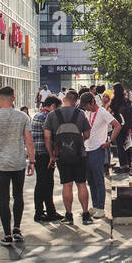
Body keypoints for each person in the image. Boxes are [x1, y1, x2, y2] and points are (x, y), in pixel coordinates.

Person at [0, 86, 36, 245]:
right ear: (13, 99)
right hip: (18, 163)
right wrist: (32, 161)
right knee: (18, 196)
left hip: (0, 164)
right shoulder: (23, 117)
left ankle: (6, 235)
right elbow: (29, 142)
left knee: (3, 199)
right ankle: (17, 228)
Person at [44, 90, 91, 224]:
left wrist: (52, 155)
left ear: (64, 99)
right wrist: (80, 140)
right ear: (76, 101)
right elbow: (87, 134)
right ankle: (85, 214)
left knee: (67, 185)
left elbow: (47, 137)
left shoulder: (53, 115)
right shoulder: (80, 114)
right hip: (79, 154)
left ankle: (69, 215)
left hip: (61, 155)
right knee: (81, 184)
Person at [81, 90, 120, 219]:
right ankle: (95, 205)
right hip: (86, 149)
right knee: (91, 180)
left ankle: (101, 208)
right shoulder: (87, 112)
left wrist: (109, 141)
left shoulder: (102, 112)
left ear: (92, 102)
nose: (86, 108)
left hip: (97, 149)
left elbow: (117, 126)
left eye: (87, 105)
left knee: (99, 180)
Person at [31, 96, 62, 221]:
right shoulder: (46, 117)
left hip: (40, 154)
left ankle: (49, 210)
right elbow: (48, 138)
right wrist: (52, 156)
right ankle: (40, 212)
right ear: (53, 106)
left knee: (46, 183)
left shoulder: (39, 115)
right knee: (43, 184)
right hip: (44, 154)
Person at [111, 83, 132, 174]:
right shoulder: (127, 100)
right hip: (126, 125)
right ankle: (128, 164)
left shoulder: (115, 101)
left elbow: (110, 112)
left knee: (120, 146)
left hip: (118, 125)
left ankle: (123, 165)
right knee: (126, 145)